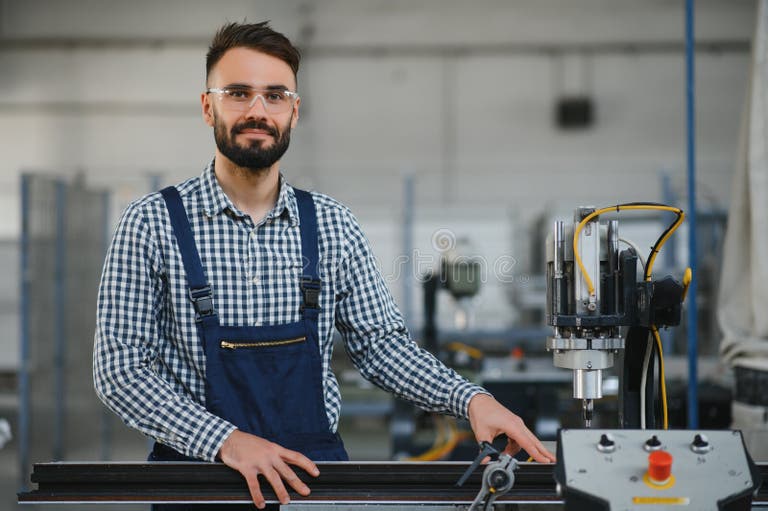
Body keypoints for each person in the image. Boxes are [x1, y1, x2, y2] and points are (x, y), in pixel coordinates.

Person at [93, 21, 555, 510]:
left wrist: (471, 400)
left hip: (313, 482)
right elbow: (120, 369)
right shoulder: (151, 223)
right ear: (208, 105)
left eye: (275, 95)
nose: (257, 110)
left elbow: (380, 347)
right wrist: (224, 440)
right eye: (238, 93)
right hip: (196, 483)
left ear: (294, 110)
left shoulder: (332, 223)